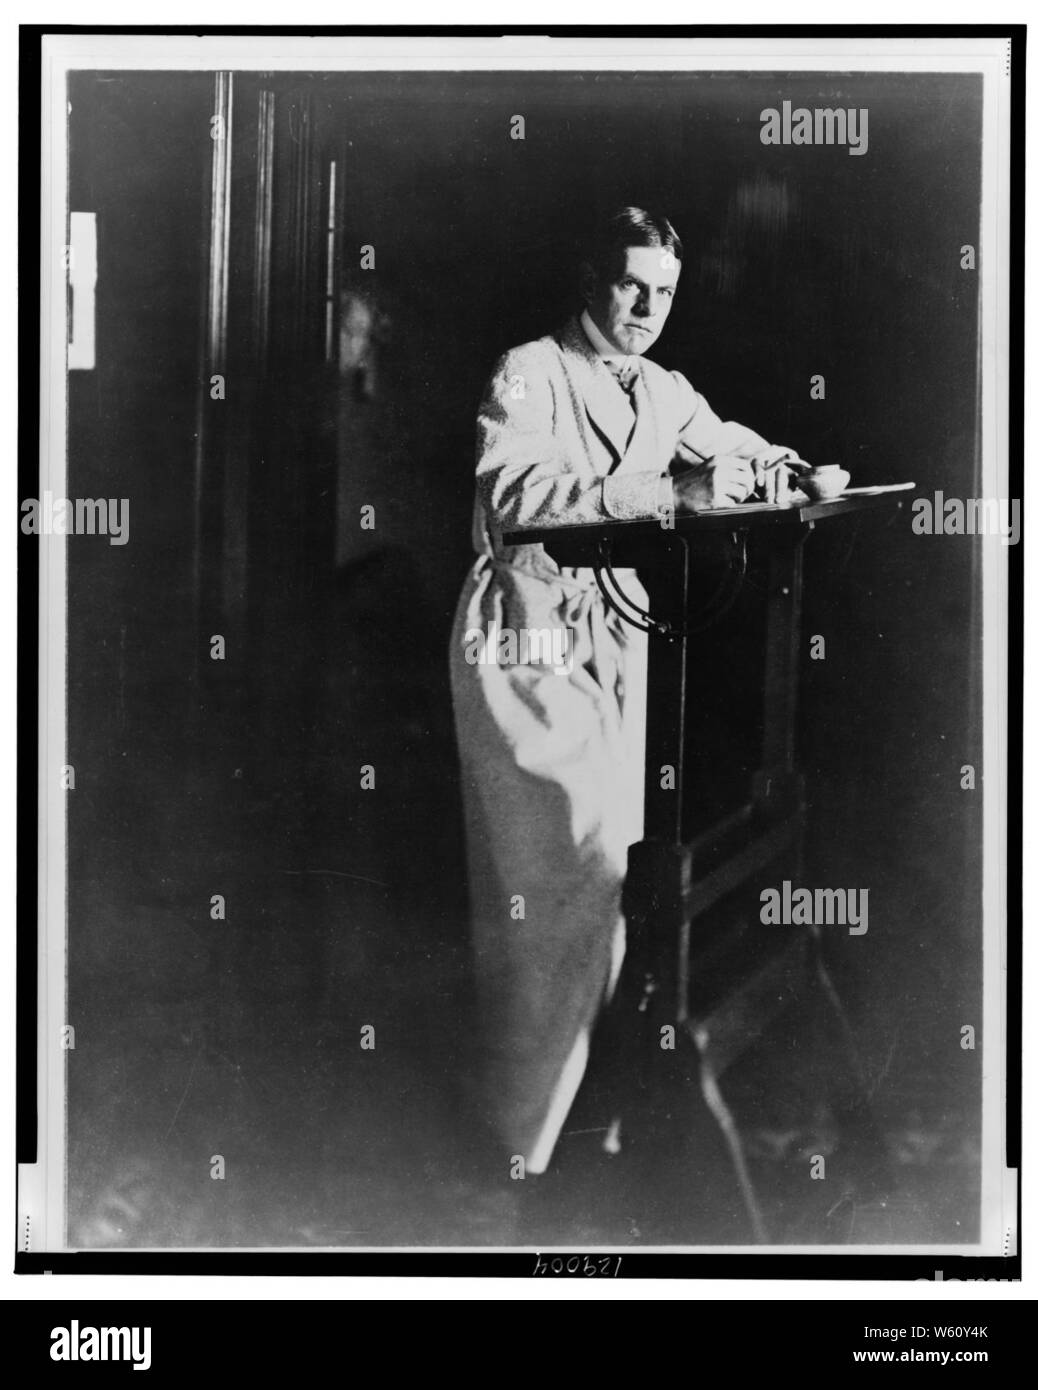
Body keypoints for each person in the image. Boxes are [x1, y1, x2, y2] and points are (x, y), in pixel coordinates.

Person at [450, 207, 801, 1178]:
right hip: (529, 637)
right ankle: (521, 1128)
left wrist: (794, 470)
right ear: (591, 280)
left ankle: (593, 1111)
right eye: (630, 286)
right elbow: (514, 493)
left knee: (624, 876)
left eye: (664, 294)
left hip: (616, 630)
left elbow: (728, 444)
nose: (647, 308)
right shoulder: (531, 366)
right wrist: (655, 494)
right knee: (569, 870)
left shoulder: (662, 388)